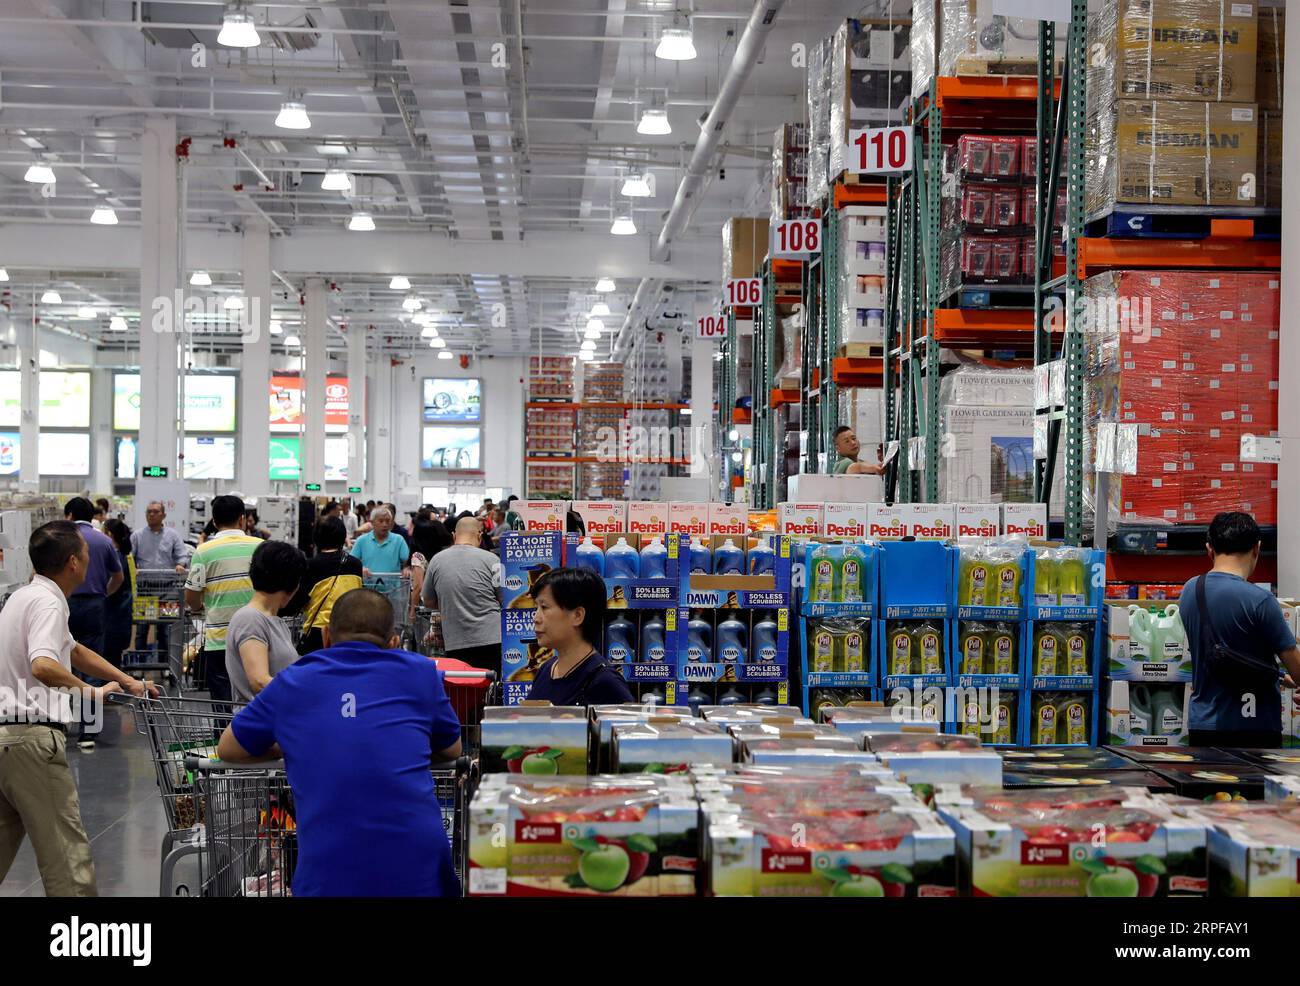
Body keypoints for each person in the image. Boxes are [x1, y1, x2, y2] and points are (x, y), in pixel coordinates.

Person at [216, 588, 462, 896]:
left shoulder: (292, 682)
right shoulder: (421, 673)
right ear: (394, 643)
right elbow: (452, 749)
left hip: (327, 873)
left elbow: (228, 748)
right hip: (419, 868)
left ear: (326, 637)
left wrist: (291, 746)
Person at [0, 521, 157, 896]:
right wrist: (89, 692)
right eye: (87, 554)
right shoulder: (48, 602)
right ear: (74, 562)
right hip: (33, 742)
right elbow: (43, 664)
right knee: (68, 860)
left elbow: (73, 650)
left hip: (7, 737)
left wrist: (129, 680)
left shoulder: (24, 597)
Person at [1181, 511, 1300, 748]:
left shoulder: (1190, 591)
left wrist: (1277, 676)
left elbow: (1231, 653)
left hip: (1202, 726)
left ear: (1209, 549)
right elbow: (1295, 665)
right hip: (1254, 728)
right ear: (1257, 548)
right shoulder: (1261, 600)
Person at [185, 495, 263, 703]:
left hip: (219, 639)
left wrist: (199, 607)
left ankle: (224, 734)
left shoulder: (203, 552)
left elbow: (191, 595)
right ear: (243, 519)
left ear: (214, 522)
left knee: (222, 702)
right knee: (255, 700)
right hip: (256, 635)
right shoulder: (261, 547)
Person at [63, 497, 124, 750]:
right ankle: (88, 732)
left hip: (64, 603)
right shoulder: (104, 540)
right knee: (91, 664)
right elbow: (118, 576)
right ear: (93, 516)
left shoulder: (63, 539)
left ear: (69, 516)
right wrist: (103, 594)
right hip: (94, 606)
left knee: (61, 663)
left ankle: (60, 722)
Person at [526, 568, 634, 705]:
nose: (535, 618)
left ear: (577, 616)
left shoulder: (604, 682)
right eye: (536, 608)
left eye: (544, 607)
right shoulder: (546, 669)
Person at [225, 541, 307, 705]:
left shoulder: (275, 621)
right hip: (261, 723)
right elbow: (259, 682)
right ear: (293, 583)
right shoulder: (250, 619)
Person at [421, 516, 502, 673]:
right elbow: (505, 599)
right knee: (492, 690)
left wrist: (449, 602)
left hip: (456, 641)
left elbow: (428, 601)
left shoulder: (436, 561)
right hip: (493, 639)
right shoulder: (493, 560)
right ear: (479, 536)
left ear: (453, 536)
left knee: (463, 690)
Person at [283, 517, 364, 655]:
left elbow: (299, 601)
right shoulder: (355, 564)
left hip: (319, 631)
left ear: (316, 538)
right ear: (343, 536)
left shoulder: (311, 565)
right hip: (351, 630)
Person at [101, 519, 135, 669]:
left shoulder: (115, 558)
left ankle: (111, 690)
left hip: (113, 616)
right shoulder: (125, 555)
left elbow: (115, 581)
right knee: (114, 660)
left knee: (109, 660)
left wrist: (102, 594)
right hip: (121, 614)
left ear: (109, 534)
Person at [350, 505, 411, 582]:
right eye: (381, 521)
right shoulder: (361, 540)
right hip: (367, 589)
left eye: (388, 521)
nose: (385, 524)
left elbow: (407, 562)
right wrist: (360, 568)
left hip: (393, 589)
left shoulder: (399, 540)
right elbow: (351, 563)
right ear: (372, 522)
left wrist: (407, 568)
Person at [131, 501, 190, 574]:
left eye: (156, 512)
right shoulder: (137, 536)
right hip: (142, 581)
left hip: (168, 582)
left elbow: (182, 555)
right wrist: (133, 568)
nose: (151, 514)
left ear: (164, 515)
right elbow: (130, 557)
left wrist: (180, 565)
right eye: (149, 512)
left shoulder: (173, 535)